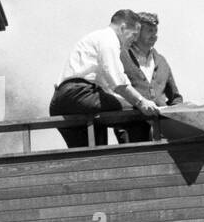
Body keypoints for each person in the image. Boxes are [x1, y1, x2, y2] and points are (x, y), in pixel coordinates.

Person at [50, 10, 161, 147]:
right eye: (134, 34)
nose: (134, 39)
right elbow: (118, 83)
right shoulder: (109, 40)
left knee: (93, 149)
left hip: (61, 101)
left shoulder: (96, 38)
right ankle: (138, 161)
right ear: (123, 27)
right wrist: (141, 102)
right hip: (79, 95)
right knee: (137, 115)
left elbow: (110, 87)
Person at [117, 12, 185, 142]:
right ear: (137, 31)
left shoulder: (161, 61)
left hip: (161, 128)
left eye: (155, 31)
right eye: (149, 31)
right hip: (131, 125)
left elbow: (175, 97)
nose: (154, 35)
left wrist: (176, 120)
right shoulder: (121, 55)